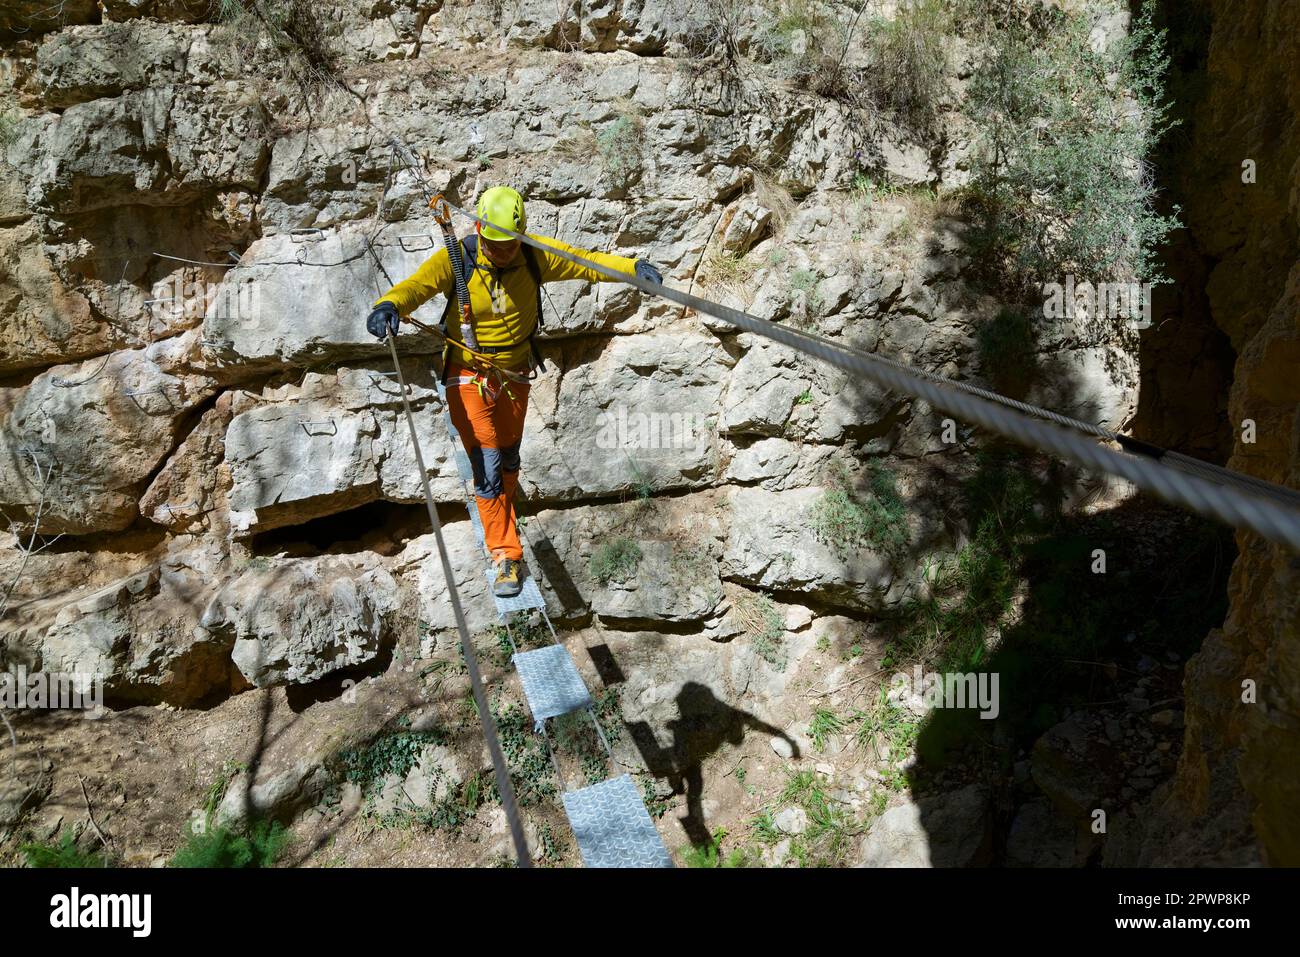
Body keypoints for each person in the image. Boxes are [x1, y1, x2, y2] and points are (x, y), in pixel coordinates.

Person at [365, 185, 663, 597]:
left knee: (507, 458)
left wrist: (633, 269)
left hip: (514, 372)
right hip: (466, 371)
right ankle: (506, 555)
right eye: (493, 243)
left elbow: (586, 263)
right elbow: (417, 286)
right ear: (479, 231)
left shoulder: (534, 256)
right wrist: (389, 306)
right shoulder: (461, 257)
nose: (501, 251)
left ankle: (499, 512)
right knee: (486, 463)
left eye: (508, 244)